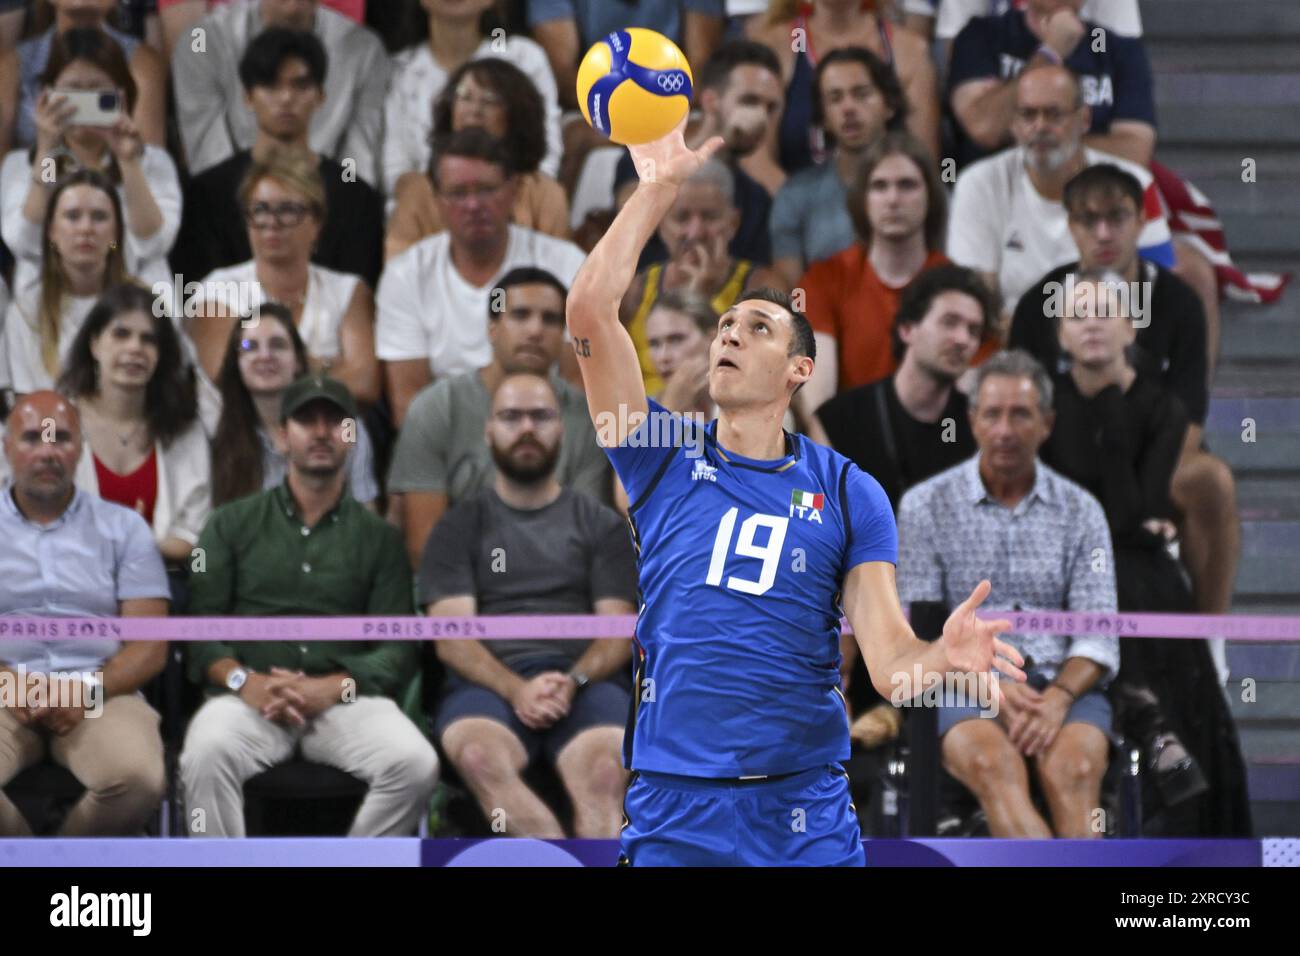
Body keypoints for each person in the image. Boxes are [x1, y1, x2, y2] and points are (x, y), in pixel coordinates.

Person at [566, 118, 1023, 866]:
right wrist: (658, 190)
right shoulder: (660, 456)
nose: (730, 336)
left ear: (800, 371)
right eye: (723, 326)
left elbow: (889, 666)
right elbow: (589, 312)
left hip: (800, 806)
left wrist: (941, 658)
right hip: (676, 802)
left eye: (757, 327)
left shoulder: (849, 491)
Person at [1039, 271, 1251, 835]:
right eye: (1076, 313)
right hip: (1060, 573)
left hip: (1139, 571)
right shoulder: (1045, 407)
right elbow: (1068, 512)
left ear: (1130, 325)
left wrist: (1109, 403)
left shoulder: (1162, 406)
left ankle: (1156, 733)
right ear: (1060, 334)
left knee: (1128, 581)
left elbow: (1133, 509)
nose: (1090, 323)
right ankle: (1141, 720)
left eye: (1104, 310)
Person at [181, 375, 439, 838]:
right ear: (282, 436)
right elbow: (200, 634)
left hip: (344, 699)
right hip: (248, 695)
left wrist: (331, 687)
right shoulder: (229, 524)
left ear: (352, 437)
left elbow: (397, 651)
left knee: (414, 763)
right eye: (306, 421)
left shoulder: (379, 538)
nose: (321, 432)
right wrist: (246, 681)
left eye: (336, 422)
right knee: (206, 750)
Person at [1010, 163, 1240, 633]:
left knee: (1212, 480)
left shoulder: (1177, 301)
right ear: (1069, 226)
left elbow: (1189, 417)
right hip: (1062, 456)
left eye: (1117, 217)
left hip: (1156, 456)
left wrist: (1137, 487)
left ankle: (1206, 638)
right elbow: (1020, 407)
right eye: (1087, 219)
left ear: (1142, 220)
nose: (1103, 232)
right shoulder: (1040, 303)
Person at [897, 350, 1118, 838]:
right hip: (961, 683)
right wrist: (993, 689)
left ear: (1047, 423)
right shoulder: (924, 506)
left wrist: (1058, 697)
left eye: (1020, 414)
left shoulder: (1082, 511)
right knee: (994, 765)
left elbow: (1099, 634)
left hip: (1062, 685)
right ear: (972, 421)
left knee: (1076, 772)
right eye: (992, 414)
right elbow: (921, 633)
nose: (1005, 430)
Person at [421, 371, 637, 838]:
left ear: (562, 429)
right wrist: (517, 689)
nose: (525, 429)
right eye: (511, 416)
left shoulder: (601, 526)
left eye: (540, 417)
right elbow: (452, 642)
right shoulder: (458, 527)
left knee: (604, 774)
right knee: (479, 757)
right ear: (488, 430)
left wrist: (573, 681)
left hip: (587, 681)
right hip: (486, 684)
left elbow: (617, 635)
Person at [818, 263, 994, 752]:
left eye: (974, 330)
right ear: (908, 328)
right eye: (950, 322)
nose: (963, 338)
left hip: (948, 604)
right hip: (854, 600)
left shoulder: (978, 428)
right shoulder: (842, 418)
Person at [0, 390, 169, 836]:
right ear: (6, 447)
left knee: (139, 778)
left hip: (100, 692)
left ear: (80, 448)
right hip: (3, 690)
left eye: (62, 439)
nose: (48, 452)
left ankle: (59, 864)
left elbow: (150, 646)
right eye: (33, 438)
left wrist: (85, 692)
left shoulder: (124, 528)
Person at [388, 266, 609, 568]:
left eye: (551, 319)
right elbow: (425, 544)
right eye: (520, 315)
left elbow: (588, 537)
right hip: (459, 589)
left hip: (561, 589)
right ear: (492, 328)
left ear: (563, 338)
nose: (535, 330)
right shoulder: (435, 407)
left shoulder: (586, 416)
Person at [375, 129, 586, 426]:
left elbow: (577, 387)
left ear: (514, 191)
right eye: (458, 193)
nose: (473, 206)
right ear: (436, 200)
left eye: (487, 190)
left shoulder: (566, 263)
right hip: (448, 441)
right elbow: (409, 406)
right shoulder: (405, 276)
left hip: (545, 434)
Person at [946, 65, 1173, 316]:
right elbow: (975, 303)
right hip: (1012, 345)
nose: (1040, 126)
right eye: (1028, 115)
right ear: (1013, 123)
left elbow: (1157, 294)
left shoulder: (1136, 183)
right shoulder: (978, 184)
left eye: (1054, 115)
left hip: (1109, 340)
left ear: (1084, 119)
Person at [171, 27, 384, 288]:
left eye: (300, 85)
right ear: (248, 97)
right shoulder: (206, 194)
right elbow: (195, 293)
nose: (286, 98)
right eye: (271, 85)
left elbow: (360, 290)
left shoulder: (355, 197)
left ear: (320, 97)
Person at [187, 150, 380, 406]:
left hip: (327, 430)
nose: (271, 222)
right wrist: (323, 364)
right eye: (260, 210)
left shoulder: (348, 289)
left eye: (288, 210)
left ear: (317, 222)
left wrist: (269, 366)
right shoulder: (217, 289)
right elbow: (228, 377)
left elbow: (365, 384)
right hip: (240, 436)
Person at [2, 27, 180, 293]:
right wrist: (46, 151)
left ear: (121, 96)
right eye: (73, 92)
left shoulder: (153, 162)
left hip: (137, 303)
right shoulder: (21, 165)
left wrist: (129, 163)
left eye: (96, 92)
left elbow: (154, 243)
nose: (82, 105)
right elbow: (25, 242)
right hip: (49, 308)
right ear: (46, 96)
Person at [58, 283, 210, 573]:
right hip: (69, 577)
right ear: (94, 344)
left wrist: (139, 546)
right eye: (121, 334)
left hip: (160, 576)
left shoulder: (184, 428)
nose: (135, 348)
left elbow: (195, 532)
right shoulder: (56, 423)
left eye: (149, 339)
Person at [798, 131, 951, 413]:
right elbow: (818, 409)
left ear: (931, 196)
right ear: (862, 199)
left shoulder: (957, 287)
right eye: (879, 186)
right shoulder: (823, 280)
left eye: (907, 185)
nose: (893, 199)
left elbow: (970, 405)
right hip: (846, 446)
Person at [171, 0, 388, 181]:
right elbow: (212, 167)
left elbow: (356, 169)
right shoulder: (201, 41)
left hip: (332, 209)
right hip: (233, 209)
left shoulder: (365, 49)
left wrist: (343, 208)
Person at [612, 40, 783, 262]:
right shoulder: (645, 155)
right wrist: (718, 143)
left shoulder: (755, 197)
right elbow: (630, 214)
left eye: (771, 108)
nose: (761, 118)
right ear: (710, 101)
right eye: (749, 101)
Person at [385, 56, 568, 262]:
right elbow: (397, 275)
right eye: (464, 96)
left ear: (518, 114)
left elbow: (560, 273)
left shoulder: (545, 194)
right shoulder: (419, 193)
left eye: (489, 100)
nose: (474, 110)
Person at [621, 159, 778, 397]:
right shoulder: (636, 290)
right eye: (682, 218)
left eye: (709, 217)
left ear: (733, 223)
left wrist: (698, 299)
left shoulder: (761, 288)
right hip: (644, 426)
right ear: (661, 224)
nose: (695, 232)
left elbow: (769, 378)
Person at [947, 0, 1154, 170]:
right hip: (998, 196)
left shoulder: (1119, 51)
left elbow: (1135, 153)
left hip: (1091, 198)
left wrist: (1043, 144)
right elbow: (984, 128)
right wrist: (1050, 52)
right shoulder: (981, 35)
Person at [208, 301, 377, 507]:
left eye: (278, 344)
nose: (265, 356)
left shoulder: (349, 427)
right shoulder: (217, 436)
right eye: (250, 347)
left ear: (298, 360)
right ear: (237, 363)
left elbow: (366, 521)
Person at [383, 0, 560, 195]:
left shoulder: (525, 58)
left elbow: (545, 159)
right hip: (427, 210)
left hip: (518, 203)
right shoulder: (397, 71)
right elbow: (395, 172)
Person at [769, 45, 907, 289]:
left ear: (890, 105)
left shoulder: (922, 187)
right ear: (822, 117)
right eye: (835, 98)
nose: (848, 108)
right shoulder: (795, 195)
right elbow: (790, 295)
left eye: (861, 94)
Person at [748, 0, 938, 171]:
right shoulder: (776, 46)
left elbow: (926, 159)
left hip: (891, 201)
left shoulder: (909, 48)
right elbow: (756, 159)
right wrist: (795, 204)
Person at [3, 168, 129, 395]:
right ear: (51, 231)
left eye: (99, 217)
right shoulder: (24, 311)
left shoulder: (144, 306)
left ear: (116, 234)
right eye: (72, 216)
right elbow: (22, 403)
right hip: (50, 428)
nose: (86, 228)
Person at [0, 0, 166, 156]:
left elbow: (151, 166)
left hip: (121, 182)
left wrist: (125, 158)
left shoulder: (142, 64)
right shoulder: (12, 66)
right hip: (35, 181)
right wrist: (46, 152)